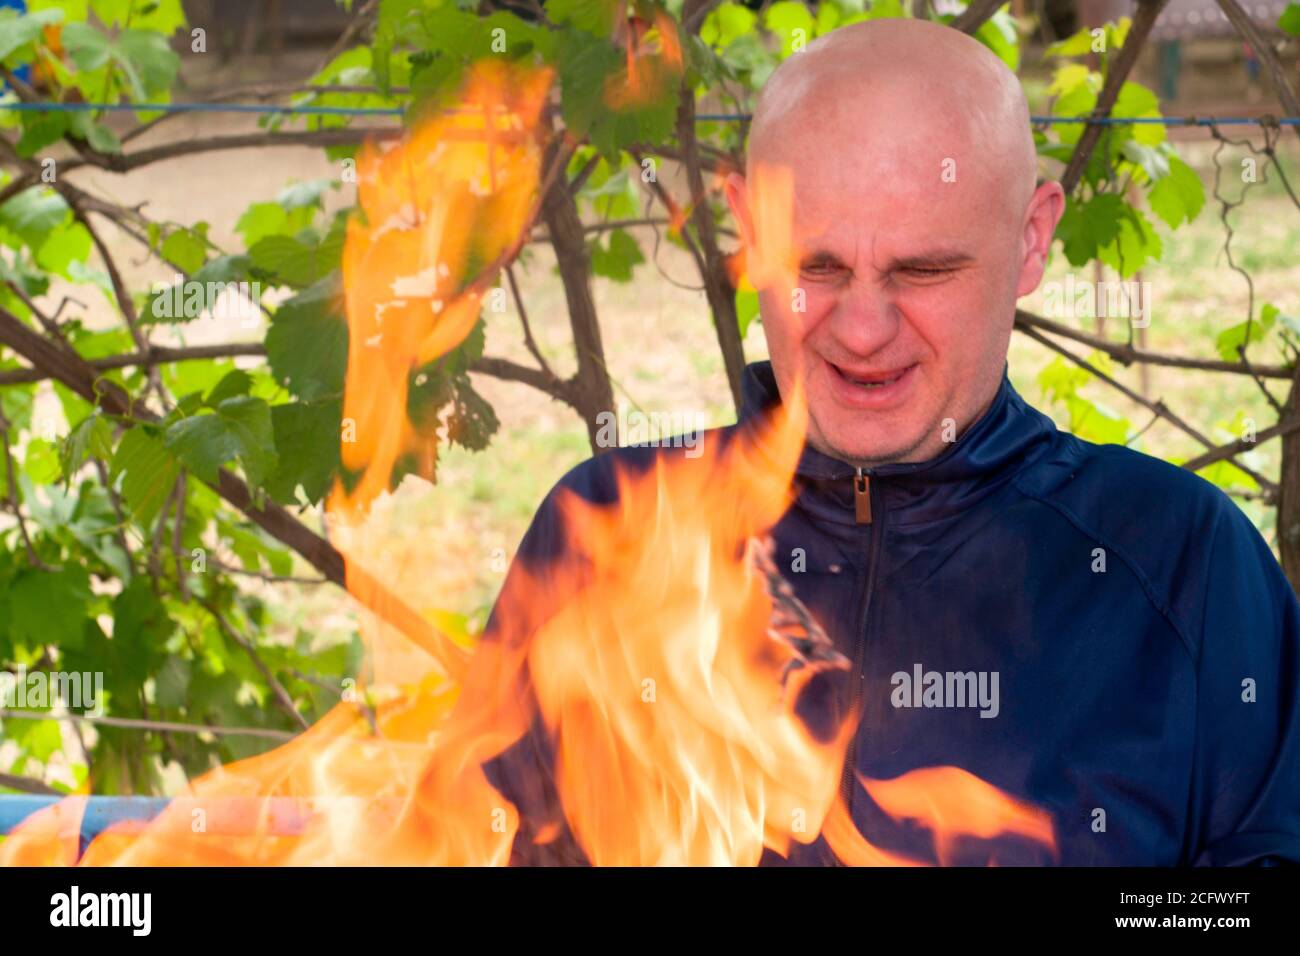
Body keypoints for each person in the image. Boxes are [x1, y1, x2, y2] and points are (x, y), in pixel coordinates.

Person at [478, 17, 1300, 865]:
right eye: (818, 266)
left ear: (1030, 240)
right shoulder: (607, 525)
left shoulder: (1182, 563)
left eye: (923, 271)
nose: (863, 331)